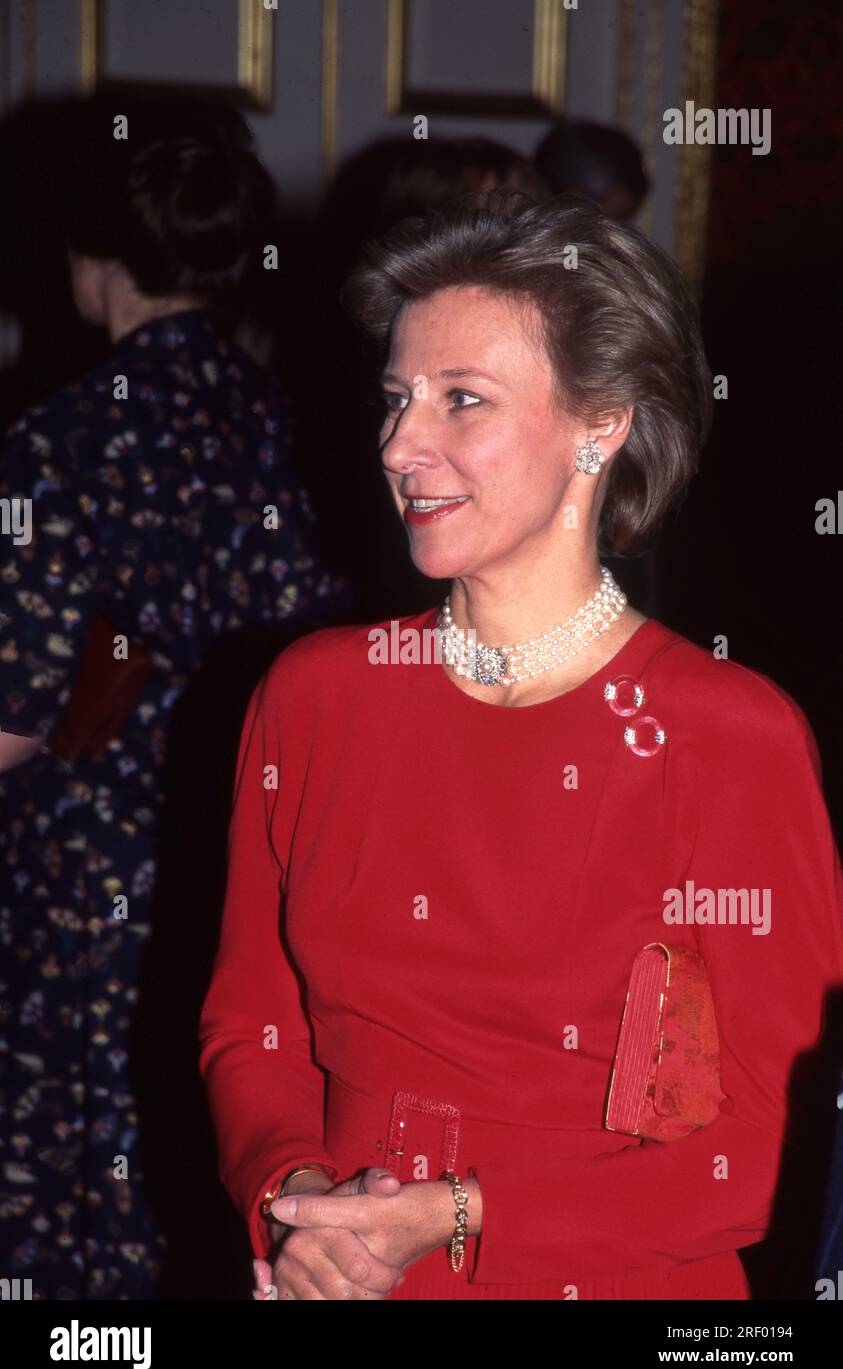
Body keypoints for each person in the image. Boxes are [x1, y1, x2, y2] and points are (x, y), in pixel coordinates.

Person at [198, 191, 843, 1300]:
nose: (403, 444)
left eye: (463, 400)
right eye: (396, 398)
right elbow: (250, 1023)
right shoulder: (311, 697)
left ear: (603, 426)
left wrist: (456, 1219)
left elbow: (758, 1148)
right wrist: (296, 1199)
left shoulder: (729, 736)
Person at [0, 99, 346, 1299]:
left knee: (88, 1161)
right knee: (227, 1134)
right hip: (265, 849)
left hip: (85, 871)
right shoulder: (303, 426)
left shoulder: (58, 443)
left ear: (92, 263)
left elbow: (14, 711)